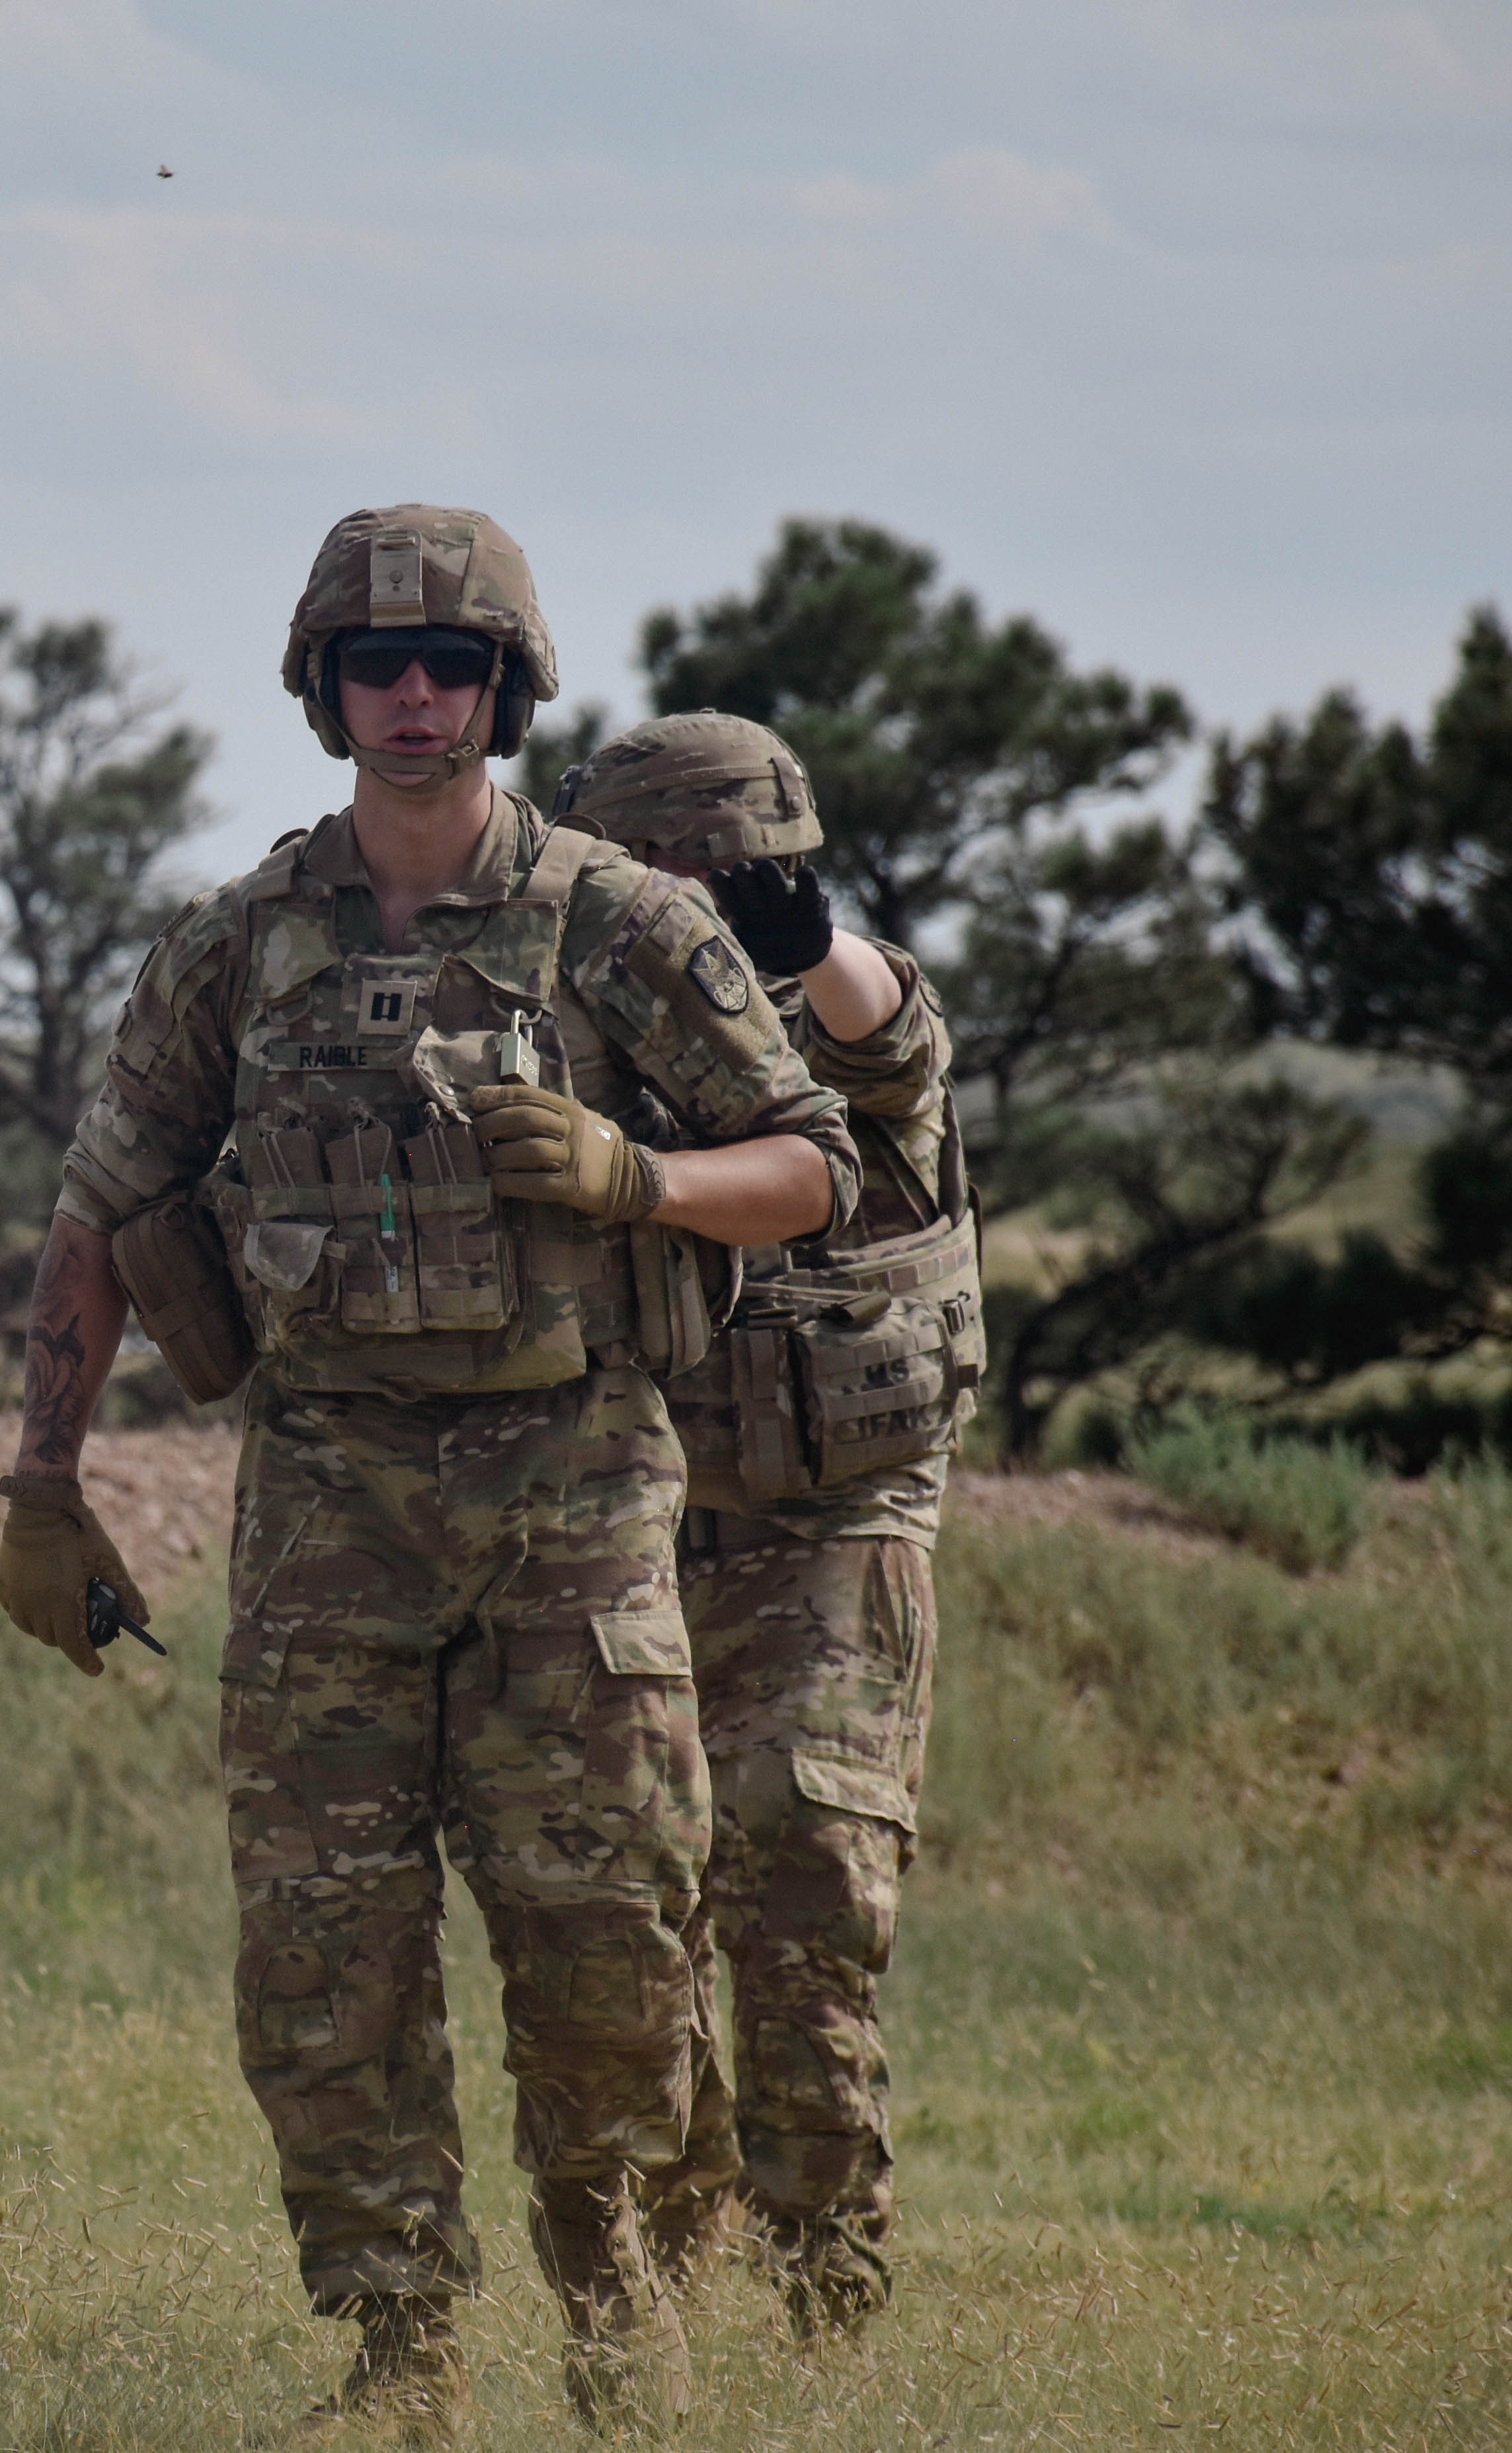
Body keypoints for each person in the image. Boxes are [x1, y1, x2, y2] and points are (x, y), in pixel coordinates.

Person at [0, 506, 859, 2431]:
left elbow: (810, 1160)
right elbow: (101, 1207)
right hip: (321, 1516)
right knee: (321, 1953)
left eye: (447, 666)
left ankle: (621, 2292)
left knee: (608, 1939)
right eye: (372, 665)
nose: (409, 698)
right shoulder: (237, 940)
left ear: (504, 687)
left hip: (569, 1500)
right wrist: (40, 1488)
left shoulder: (624, 923)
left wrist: (641, 1177)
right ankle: (399, 2349)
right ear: (319, 688)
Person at [550, 712, 977, 2337]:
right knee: (620, 1914)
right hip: (633, 1518)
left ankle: (829, 2302)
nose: (677, 907)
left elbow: (881, 1033)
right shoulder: (587, 1018)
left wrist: (790, 933)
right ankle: (689, 2238)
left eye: (709, 876)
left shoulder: (839, 997)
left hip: (833, 1521)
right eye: (645, 875)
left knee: (803, 1882)